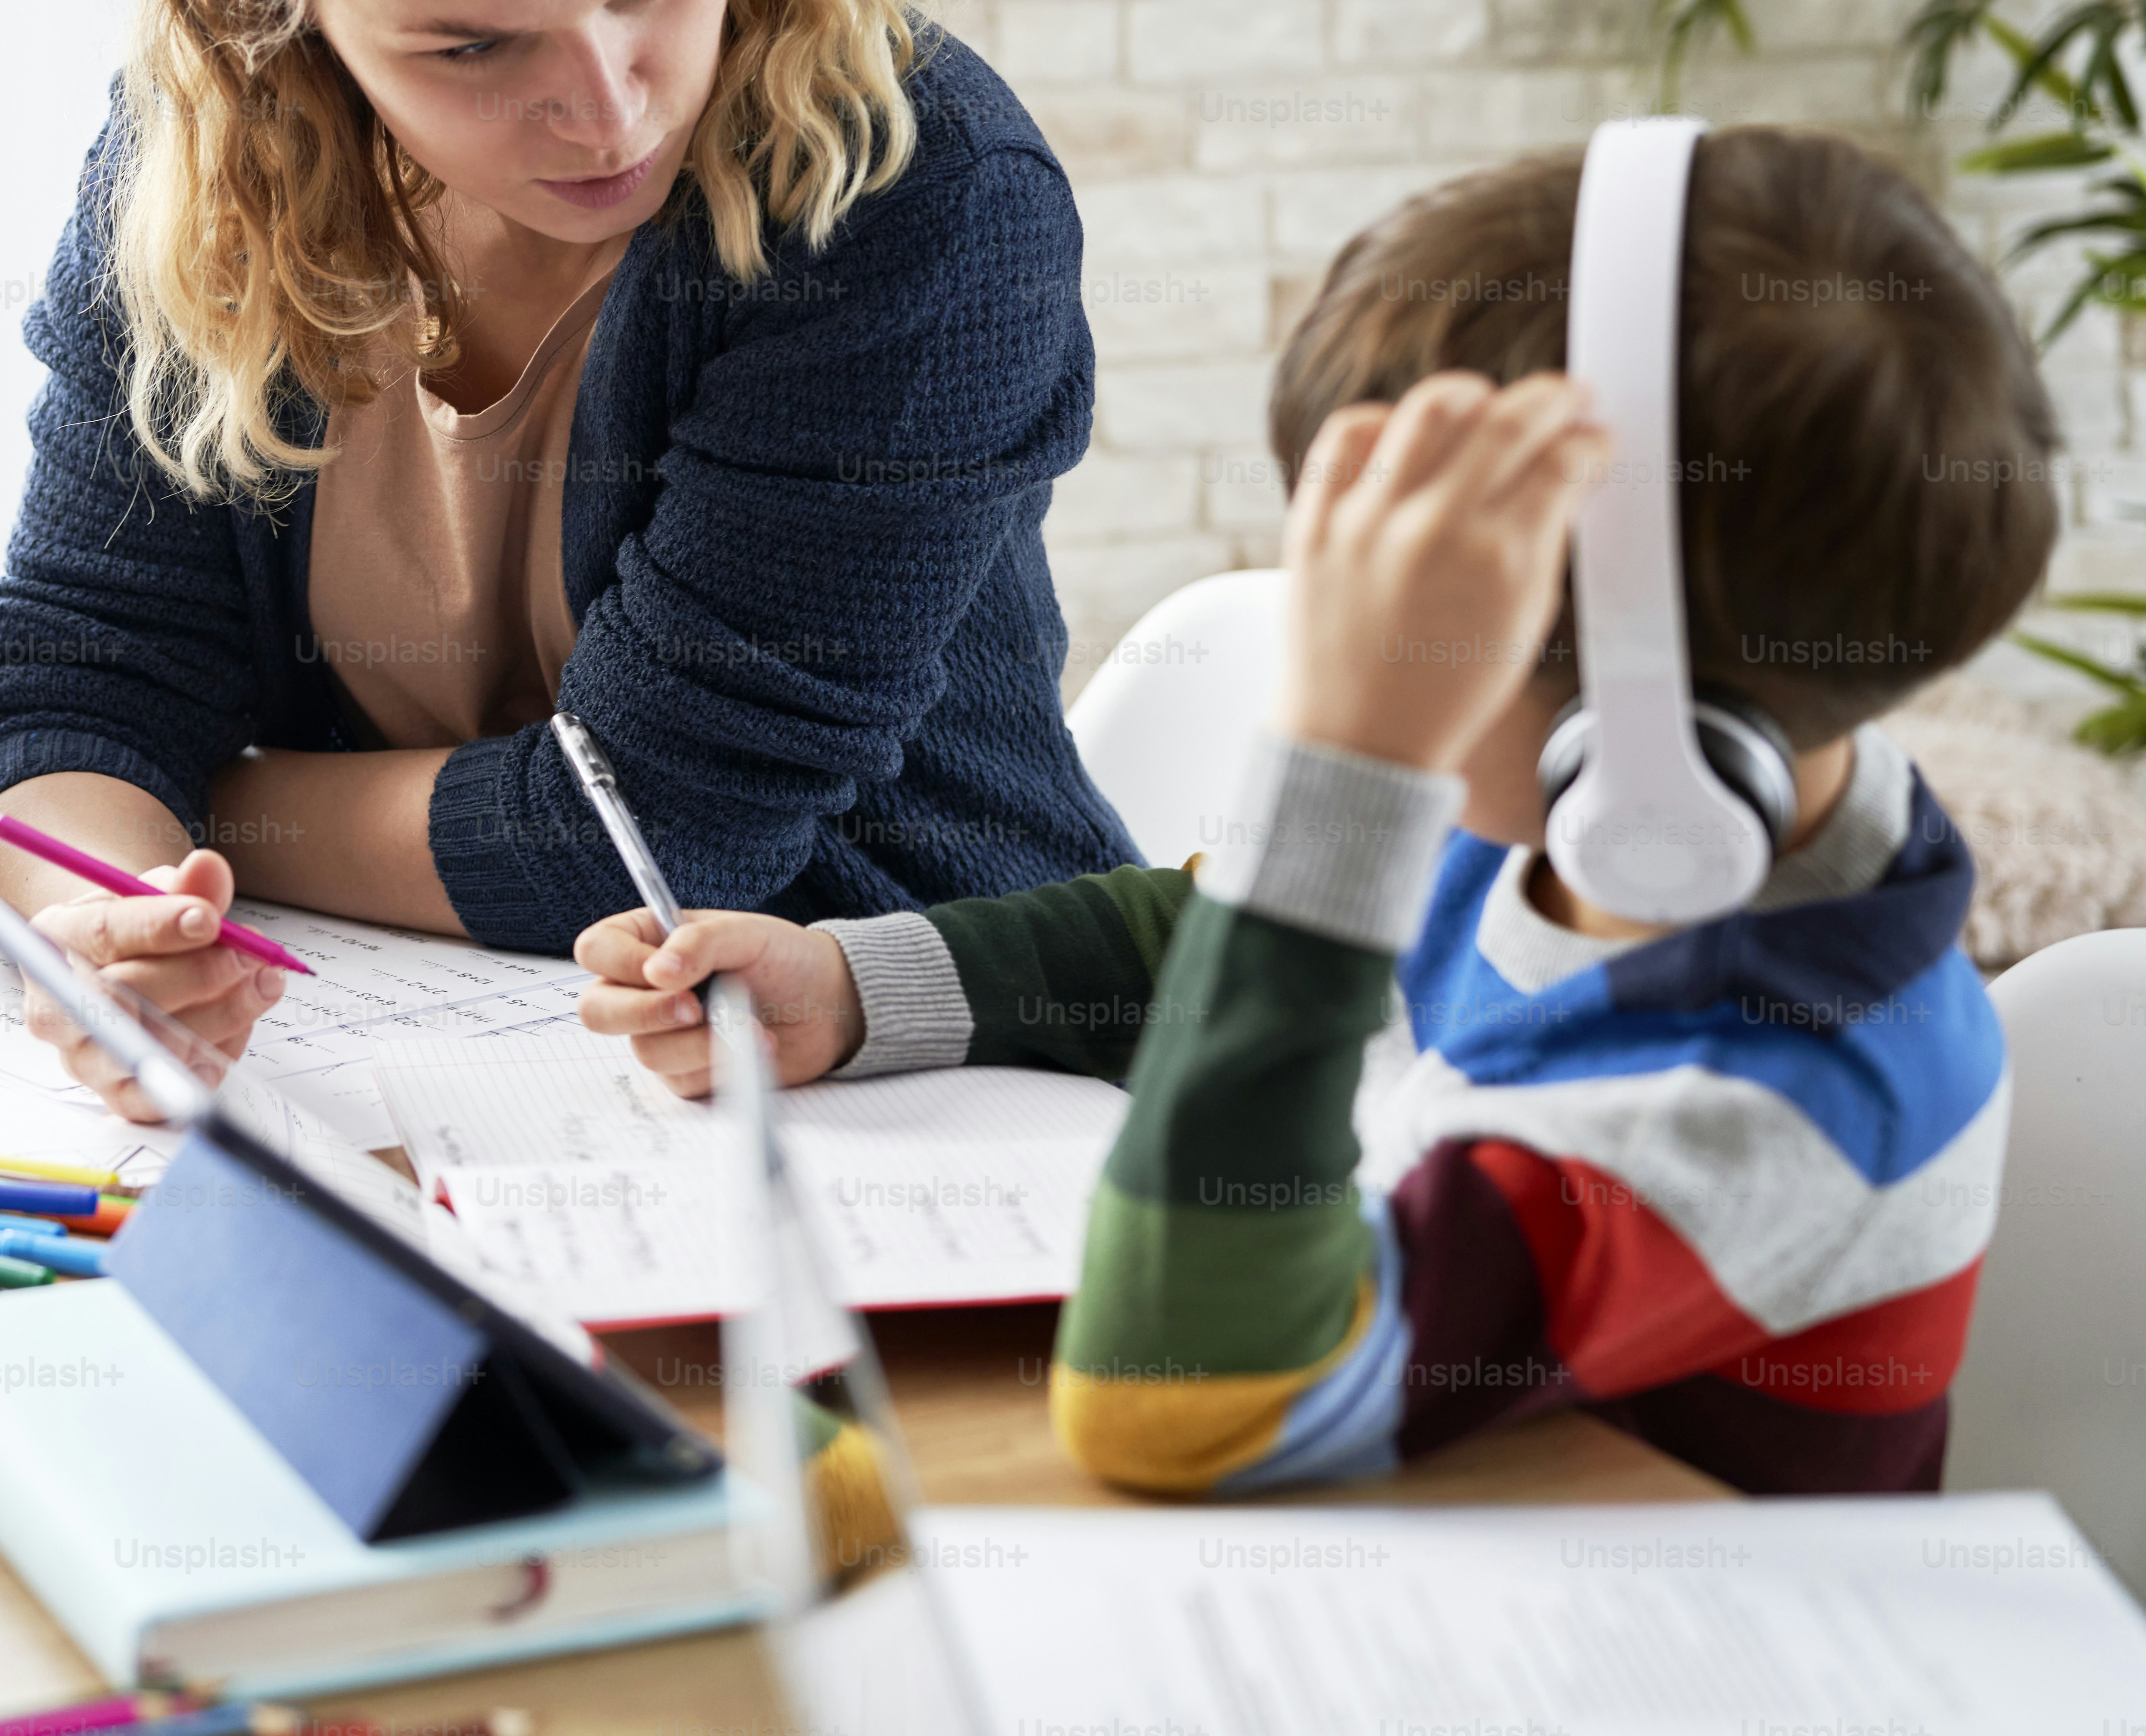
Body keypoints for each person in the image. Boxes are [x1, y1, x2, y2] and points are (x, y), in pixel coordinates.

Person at [574, 129, 2056, 1493]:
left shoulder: (1783, 1092)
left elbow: (1184, 1399)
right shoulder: (1614, 818)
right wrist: (852, 986)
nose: (1337, 658)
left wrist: (1356, 763)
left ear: (1639, 714)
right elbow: (1201, 934)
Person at [0, 0, 1136, 1117]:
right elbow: (70, 689)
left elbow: (647, 828)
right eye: (469, 48)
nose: (609, 109)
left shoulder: (912, 192)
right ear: (281, 2)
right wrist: (108, 921)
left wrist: (206, 805)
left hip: (912, 1096)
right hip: (418, 1078)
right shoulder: (193, 166)